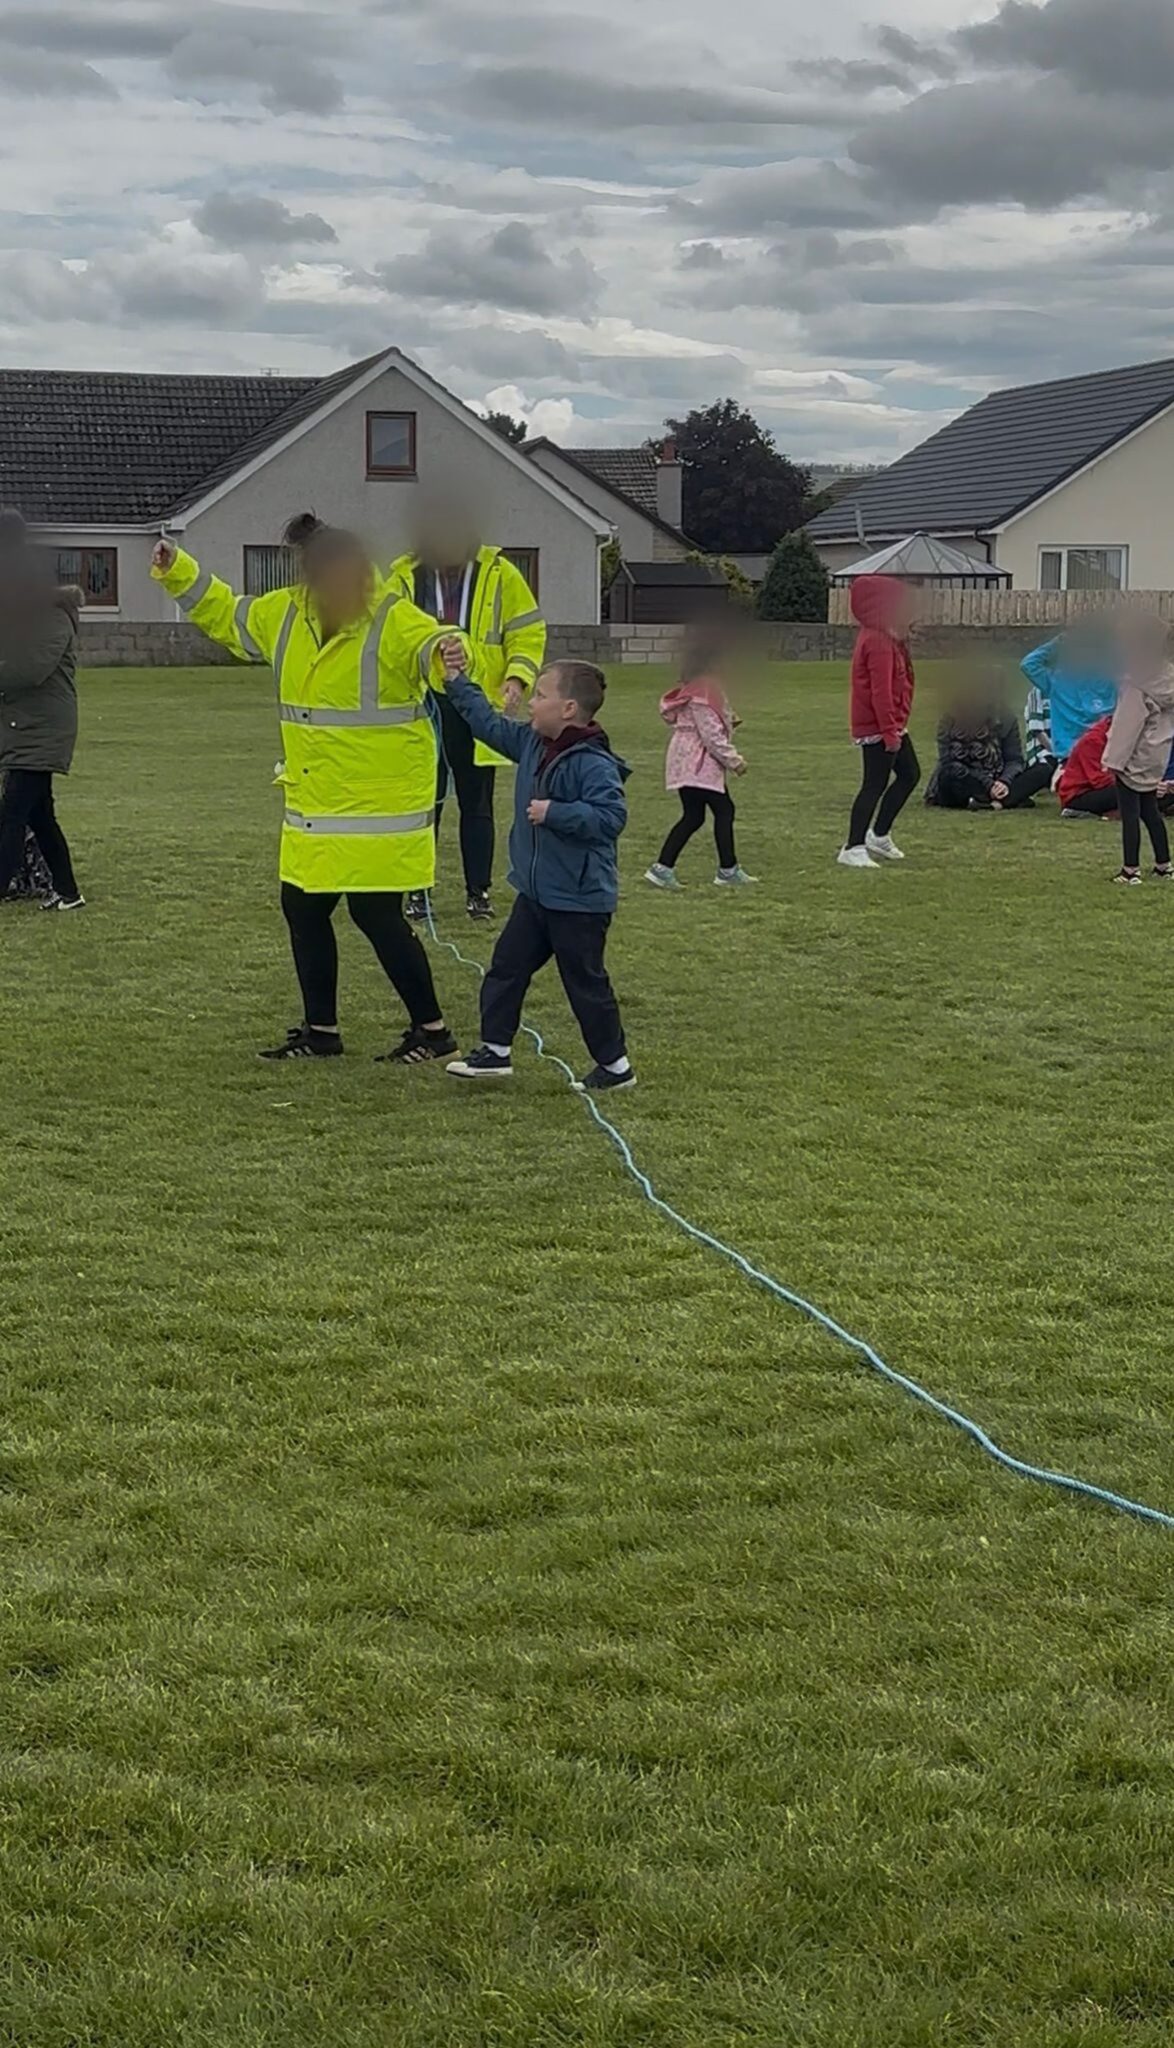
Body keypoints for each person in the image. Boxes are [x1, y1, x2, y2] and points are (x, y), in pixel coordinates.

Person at [151, 515, 467, 1062]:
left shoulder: (390, 615)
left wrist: (449, 654)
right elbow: (227, 613)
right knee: (302, 908)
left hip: (380, 807)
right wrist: (178, 570)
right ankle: (322, 1033)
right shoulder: (286, 612)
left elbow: (432, 642)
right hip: (315, 804)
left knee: (376, 916)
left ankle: (434, 1032)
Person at [438, 645, 633, 1092]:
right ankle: (495, 1052)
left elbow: (610, 819)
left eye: (540, 694)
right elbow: (487, 726)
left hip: (579, 900)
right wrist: (456, 682)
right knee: (506, 968)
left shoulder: (592, 763)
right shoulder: (530, 741)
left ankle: (616, 1066)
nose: (531, 701)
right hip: (536, 894)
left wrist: (556, 813)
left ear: (568, 708)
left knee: (584, 984)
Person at [387, 502, 546, 923]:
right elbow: (385, 634)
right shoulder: (402, 576)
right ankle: (417, 892)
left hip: (479, 702)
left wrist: (517, 678)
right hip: (422, 704)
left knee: (478, 805)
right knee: (425, 802)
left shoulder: (500, 573)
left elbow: (527, 630)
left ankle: (479, 893)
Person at [0, 512, 85, 911]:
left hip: (41, 731)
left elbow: (27, 670)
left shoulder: (54, 618)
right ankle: (68, 892)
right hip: (22, 727)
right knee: (39, 816)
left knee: (12, 813)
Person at [645, 637, 755, 889]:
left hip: (685, 759)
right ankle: (727, 870)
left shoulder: (691, 688)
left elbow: (700, 720)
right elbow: (710, 734)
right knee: (723, 810)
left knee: (694, 816)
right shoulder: (706, 690)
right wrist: (734, 760)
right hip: (698, 762)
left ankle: (663, 867)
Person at [839, 575, 919, 868]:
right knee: (874, 783)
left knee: (909, 774)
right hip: (878, 725)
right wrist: (890, 732)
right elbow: (880, 692)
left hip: (891, 722)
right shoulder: (878, 641)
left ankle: (879, 834)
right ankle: (854, 845)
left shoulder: (888, 638)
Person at [1101, 616, 1174, 884]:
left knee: (1130, 814)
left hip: (1133, 757)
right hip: (1156, 755)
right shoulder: (1168, 678)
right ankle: (1164, 864)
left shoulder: (1136, 686)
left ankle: (1130, 869)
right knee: (1150, 811)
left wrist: (1113, 760)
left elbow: (1126, 727)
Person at [1013, 626, 1119, 803]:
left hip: (1101, 751)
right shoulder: (1057, 680)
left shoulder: (1106, 680)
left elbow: (1128, 669)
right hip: (1070, 753)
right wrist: (1055, 644)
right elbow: (1028, 665)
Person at [924, 672, 1025, 810]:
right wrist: (988, 784)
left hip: (997, 777)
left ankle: (993, 801)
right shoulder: (950, 719)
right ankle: (1003, 799)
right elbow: (950, 760)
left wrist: (1004, 781)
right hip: (964, 778)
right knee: (950, 773)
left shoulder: (1006, 719)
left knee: (1041, 771)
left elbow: (1014, 760)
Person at [1056, 715, 1117, 819]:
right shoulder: (1093, 741)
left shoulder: (1108, 737)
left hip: (1094, 789)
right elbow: (1098, 781)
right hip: (1076, 796)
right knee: (1127, 791)